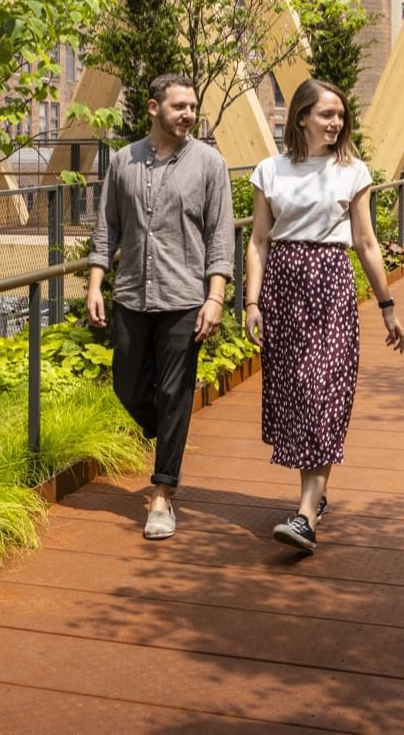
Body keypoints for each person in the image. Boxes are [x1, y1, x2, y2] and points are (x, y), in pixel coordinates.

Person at [244, 78, 404, 556]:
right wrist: (252, 302)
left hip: (331, 287)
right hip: (283, 287)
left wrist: (387, 306)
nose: (336, 123)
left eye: (340, 115)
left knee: (321, 394)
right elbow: (257, 241)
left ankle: (306, 516)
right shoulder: (269, 171)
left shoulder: (352, 171)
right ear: (301, 118)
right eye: (326, 114)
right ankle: (315, 496)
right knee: (297, 393)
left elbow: (367, 243)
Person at [86, 74, 233, 540]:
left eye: (193, 106)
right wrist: (95, 284)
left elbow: (220, 235)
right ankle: (171, 430)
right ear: (153, 108)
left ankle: (163, 494)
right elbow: (106, 227)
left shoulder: (210, 163)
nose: (189, 113)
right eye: (179, 106)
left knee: (174, 393)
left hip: (186, 297)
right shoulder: (124, 162)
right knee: (127, 386)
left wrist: (215, 296)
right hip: (131, 293)